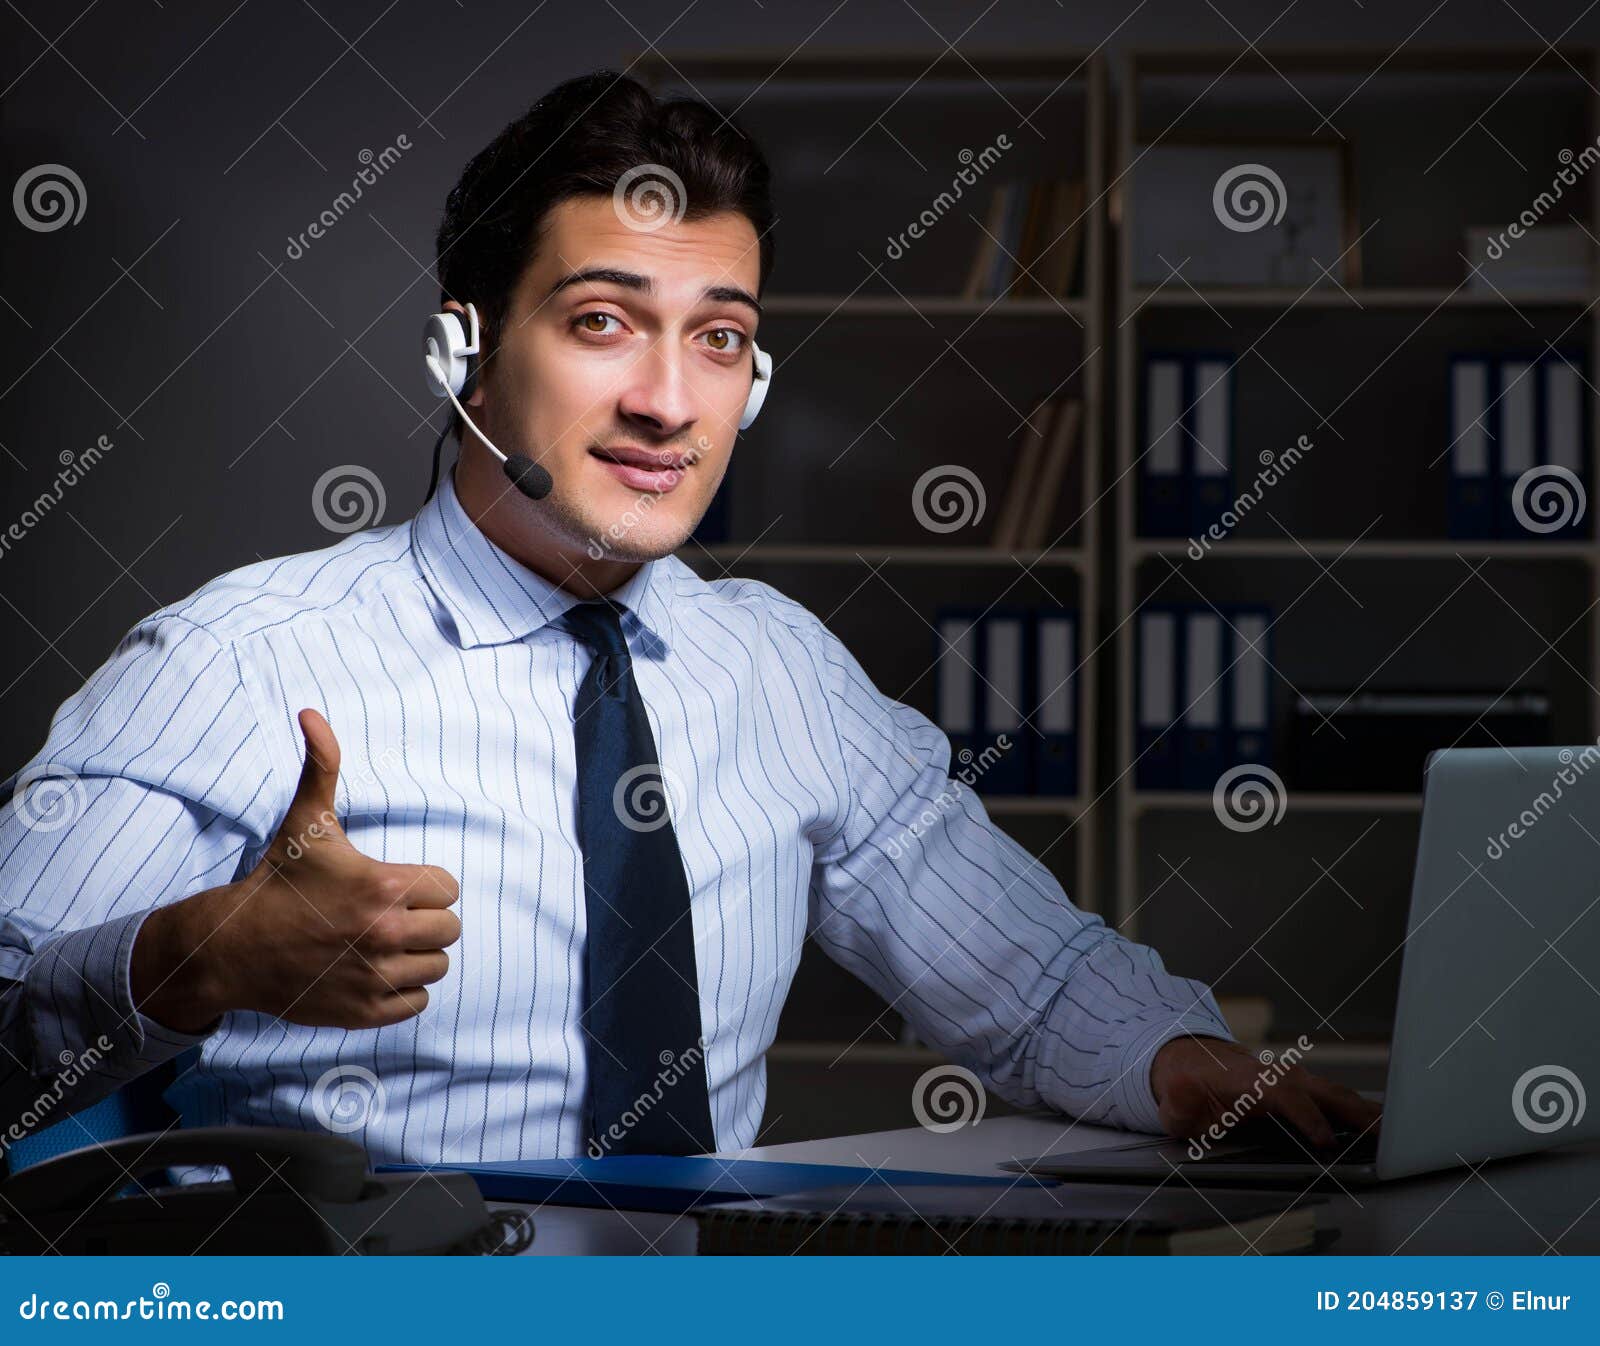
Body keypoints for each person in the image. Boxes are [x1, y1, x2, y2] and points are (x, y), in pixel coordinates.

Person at [0, 71, 1377, 1166]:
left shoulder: (775, 667)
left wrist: (1185, 1062)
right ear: (461, 352)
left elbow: (1026, 976)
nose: (671, 401)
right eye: (604, 321)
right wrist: (197, 956)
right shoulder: (238, 662)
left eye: (718, 337)